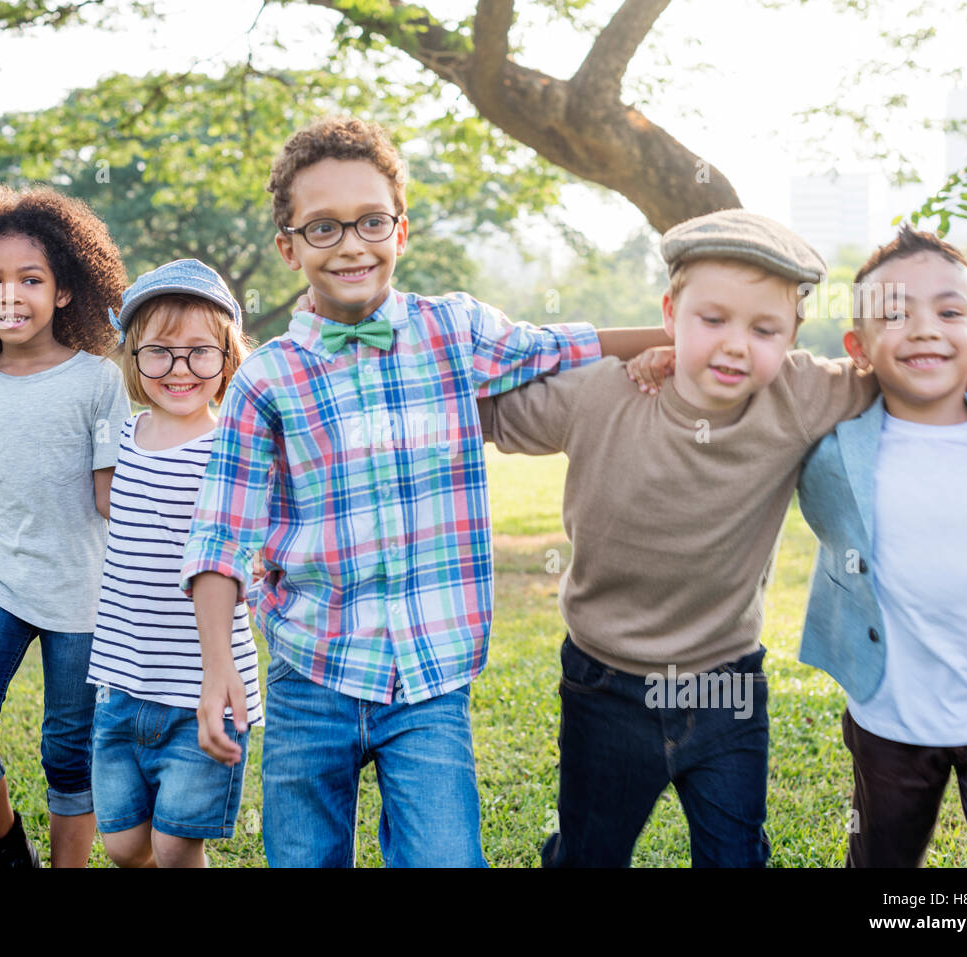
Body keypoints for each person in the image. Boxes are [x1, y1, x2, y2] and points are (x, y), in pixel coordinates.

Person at [481, 208, 967, 867]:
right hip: (605, 684)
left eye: (763, 329)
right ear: (670, 312)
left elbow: (912, 365)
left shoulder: (799, 391)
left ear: (791, 340)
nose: (733, 345)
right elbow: (478, 408)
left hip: (727, 686)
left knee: (735, 856)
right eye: (711, 319)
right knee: (590, 850)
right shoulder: (597, 396)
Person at [182, 115, 668, 867]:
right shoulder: (264, 379)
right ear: (288, 247)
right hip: (312, 669)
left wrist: (694, 342)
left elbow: (573, 342)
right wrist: (219, 666)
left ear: (400, 230)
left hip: (431, 671)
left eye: (371, 221)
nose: (351, 244)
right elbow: (220, 534)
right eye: (323, 228)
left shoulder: (455, 331)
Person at [796, 226, 967, 867]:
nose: (923, 329)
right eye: (894, 314)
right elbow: (757, 383)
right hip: (889, 716)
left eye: (948, 311)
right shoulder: (832, 444)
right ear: (857, 346)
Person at [0, 185, 129, 868]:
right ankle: (7, 847)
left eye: (30, 279)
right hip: (0, 583)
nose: (10, 294)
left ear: (66, 290)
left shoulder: (100, 379)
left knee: (70, 750)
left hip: (85, 594)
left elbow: (112, 499)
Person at [87, 259, 261, 868]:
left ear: (228, 358)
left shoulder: (234, 448)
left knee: (175, 844)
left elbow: (260, 533)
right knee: (124, 847)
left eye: (199, 353)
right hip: (121, 683)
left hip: (200, 693)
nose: (179, 369)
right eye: (159, 351)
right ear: (133, 357)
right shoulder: (123, 439)